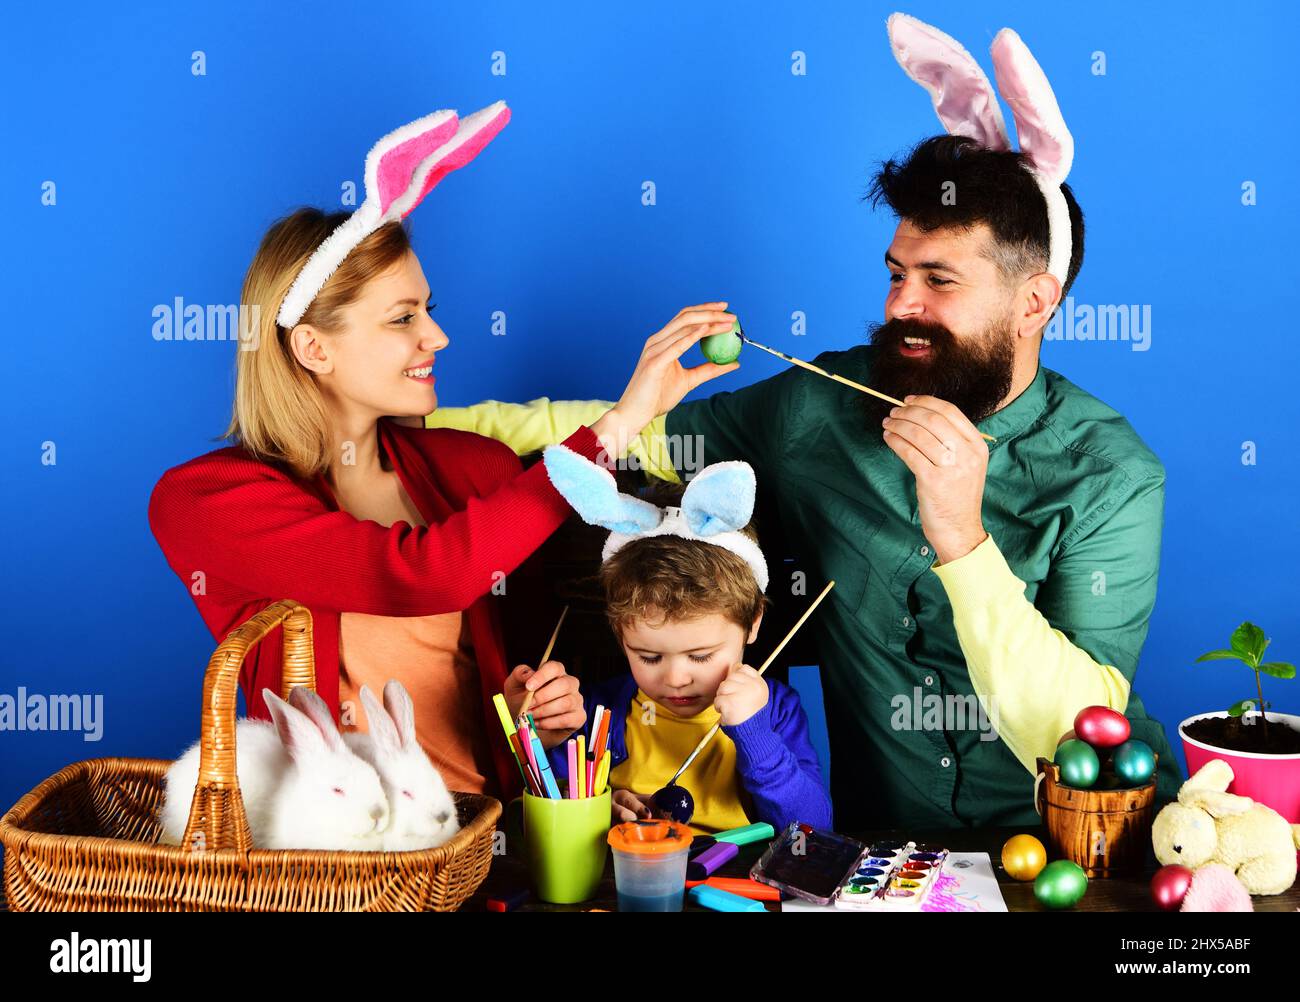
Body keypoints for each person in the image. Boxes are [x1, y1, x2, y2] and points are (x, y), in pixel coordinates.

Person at [423, 32, 1185, 826]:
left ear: (1035, 303)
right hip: (875, 863)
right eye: (896, 273)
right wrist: (406, 420)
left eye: (939, 281)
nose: (900, 307)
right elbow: (622, 435)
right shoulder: (821, 406)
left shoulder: (1113, 475)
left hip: (1083, 847)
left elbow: (1075, 732)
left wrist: (963, 540)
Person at [147, 104, 739, 800]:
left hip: (481, 846)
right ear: (313, 347)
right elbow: (422, 576)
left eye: (429, 309)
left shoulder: (473, 472)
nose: (437, 337)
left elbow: (494, 687)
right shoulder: (206, 502)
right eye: (403, 319)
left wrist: (528, 717)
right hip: (340, 871)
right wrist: (624, 419)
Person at [539, 448, 831, 833]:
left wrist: (755, 734)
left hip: (742, 884)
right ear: (619, 633)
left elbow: (814, 831)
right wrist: (596, 809)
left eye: (701, 656)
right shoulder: (596, 716)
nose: (676, 678)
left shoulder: (776, 712)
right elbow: (549, 812)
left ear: (753, 622)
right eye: (648, 657)